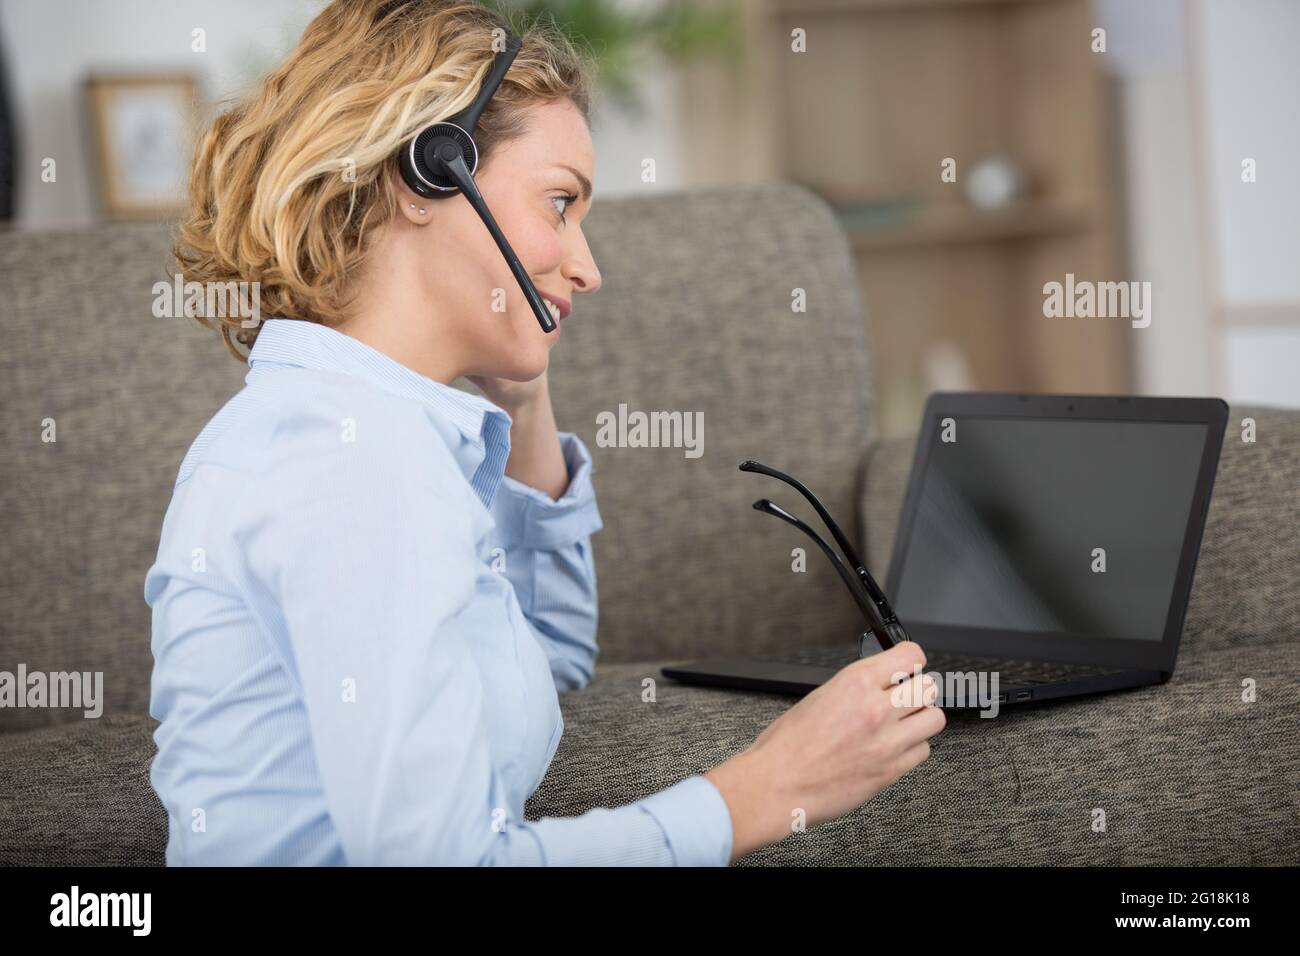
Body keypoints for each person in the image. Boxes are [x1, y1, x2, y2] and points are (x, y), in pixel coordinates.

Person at [145, 0, 945, 866]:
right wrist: (768, 788)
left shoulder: (368, 430)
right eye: (560, 203)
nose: (590, 267)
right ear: (428, 172)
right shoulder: (347, 462)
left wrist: (523, 399)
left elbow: (543, 671)